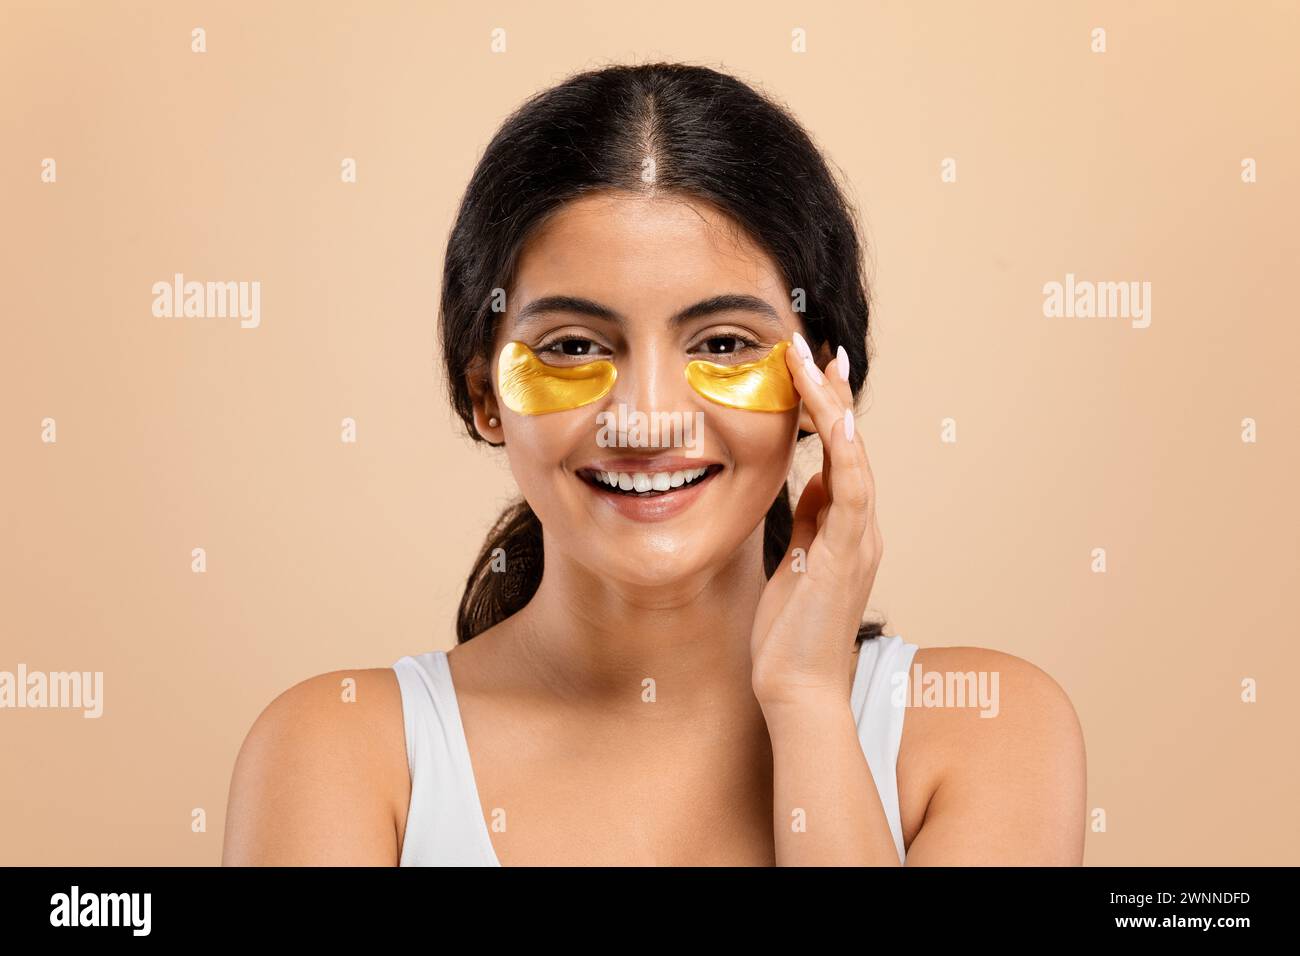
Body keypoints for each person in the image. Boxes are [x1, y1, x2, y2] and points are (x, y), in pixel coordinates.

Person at [223, 62, 1085, 866]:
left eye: (721, 342)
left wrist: (808, 702)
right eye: (570, 345)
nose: (646, 419)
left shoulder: (982, 727)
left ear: (822, 380)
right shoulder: (339, 751)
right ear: (486, 391)